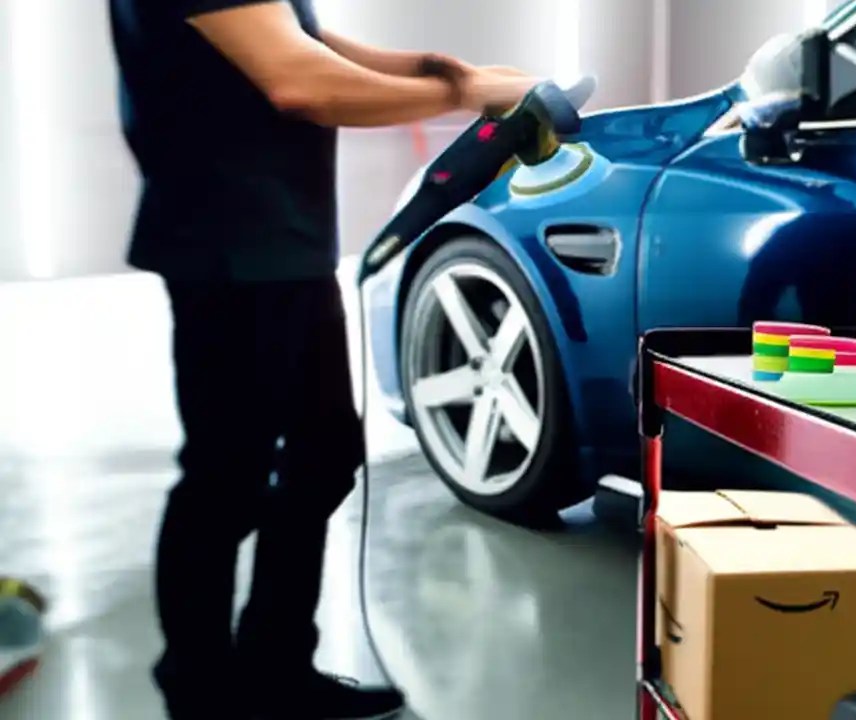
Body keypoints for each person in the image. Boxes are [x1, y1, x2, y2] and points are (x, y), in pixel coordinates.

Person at [107, 1, 539, 718]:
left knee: (321, 453)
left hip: (278, 245)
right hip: (234, 252)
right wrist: (464, 94)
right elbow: (300, 81)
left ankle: (273, 665)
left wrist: (463, 74)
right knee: (226, 479)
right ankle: (202, 688)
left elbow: (312, 45)